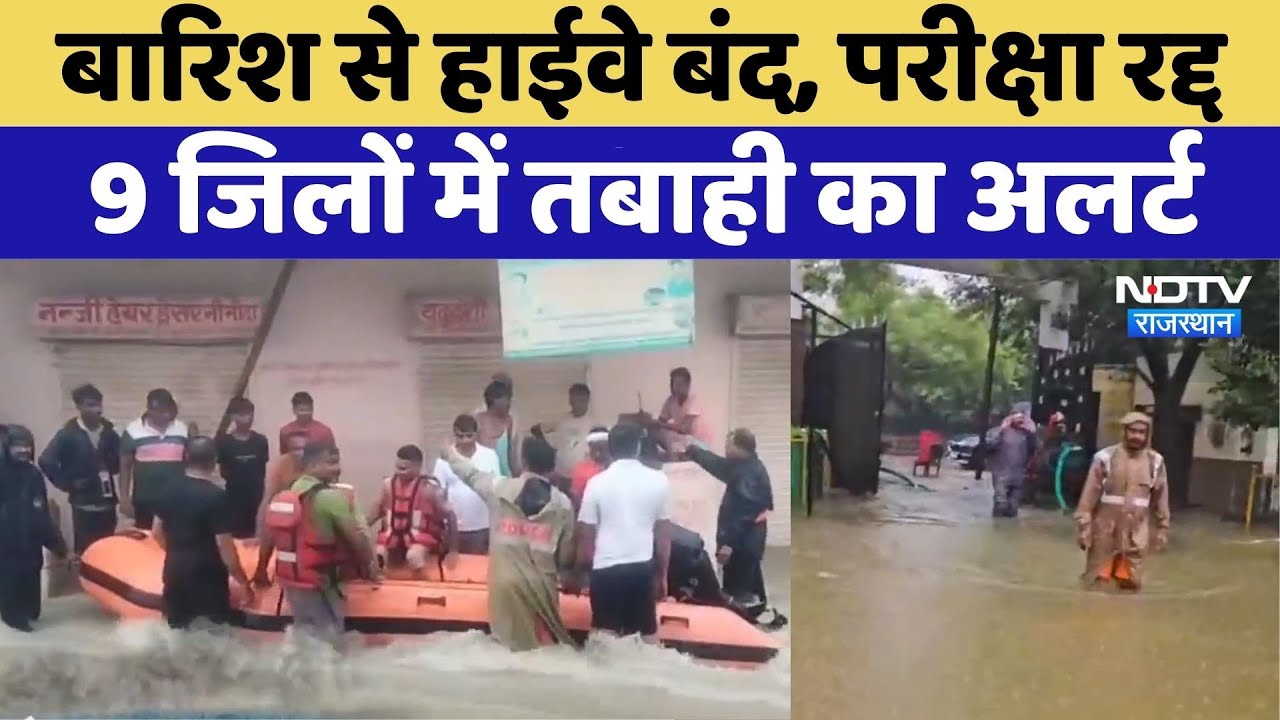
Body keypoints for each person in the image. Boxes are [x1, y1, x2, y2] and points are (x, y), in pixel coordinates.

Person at [439, 435, 577, 651]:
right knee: (545, 645)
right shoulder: (563, 504)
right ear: (552, 466)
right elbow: (566, 554)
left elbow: (470, 474)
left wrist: (449, 453)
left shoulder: (499, 488)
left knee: (507, 647)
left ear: (523, 461)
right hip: (542, 586)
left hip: (505, 582)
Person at [261, 441, 378, 640]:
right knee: (329, 639)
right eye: (331, 463)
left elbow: (269, 535)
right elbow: (357, 540)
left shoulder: (286, 494)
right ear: (313, 465)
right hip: (322, 582)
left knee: (304, 635)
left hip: (292, 583)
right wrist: (369, 568)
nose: (337, 469)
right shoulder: (330, 498)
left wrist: (261, 569)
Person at [576, 423, 672, 641]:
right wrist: (662, 576)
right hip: (642, 570)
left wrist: (581, 571)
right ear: (638, 446)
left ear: (610, 448)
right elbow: (663, 535)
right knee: (647, 639)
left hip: (605, 570)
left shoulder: (596, 483)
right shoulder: (659, 481)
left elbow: (586, 535)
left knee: (604, 639)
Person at [686, 428, 786, 628]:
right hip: (747, 540)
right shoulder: (745, 466)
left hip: (743, 543)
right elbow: (719, 466)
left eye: (729, 444)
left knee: (738, 591)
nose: (725, 448)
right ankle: (756, 616)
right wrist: (693, 451)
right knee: (749, 584)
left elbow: (741, 518)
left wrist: (727, 545)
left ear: (741, 448)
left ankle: (744, 628)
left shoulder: (747, 476)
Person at [152, 436, 252, 629]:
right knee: (212, 632)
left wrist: (177, 552)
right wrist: (243, 582)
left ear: (186, 457)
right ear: (215, 460)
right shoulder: (217, 497)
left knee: (176, 629)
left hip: (174, 569)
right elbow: (226, 550)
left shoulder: (168, 489)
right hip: (207, 577)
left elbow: (156, 532)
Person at [1074, 412, 1171, 592]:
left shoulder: (1155, 462)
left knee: (1131, 583)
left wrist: (1162, 529)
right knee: (1097, 581)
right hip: (1105, 531)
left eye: (1141, 432)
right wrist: (1084, 528)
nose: (1136, 436)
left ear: (1148, 434)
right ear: (1124, 432)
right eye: (1132, 431)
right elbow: (1088, 496)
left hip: (1136, 533)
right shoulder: (1105, 457)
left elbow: (1161, 499)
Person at [38, 383, 121, 555]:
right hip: (83, 503)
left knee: (108, 549)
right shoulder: (68, 434)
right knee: (85, 550)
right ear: (79, 407)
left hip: (107, 501)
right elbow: (46, 460)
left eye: (99, 404)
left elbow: (120, 461)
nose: (97, 409)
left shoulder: (109, 432)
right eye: (90, 405)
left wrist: (110, 464)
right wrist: (67, 484)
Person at [0, 426, 69, 631]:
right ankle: (13, 617)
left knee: (33, 607)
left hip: (31, 542)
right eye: (17, 446)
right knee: (10, 580)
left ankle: (27, 613)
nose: (24, 450)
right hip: (6, 542)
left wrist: (59, 547)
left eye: (27, 446)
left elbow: (42, 513)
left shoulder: (34, 474)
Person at [367, 445, 456, 573]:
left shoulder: (429, 489)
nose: (398, 472)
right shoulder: (387, 486)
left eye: (403, 469)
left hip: (420, 540)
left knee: (414, 557)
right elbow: (374, 513)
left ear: (418, 467)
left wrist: (453, 549)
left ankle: (422, 581)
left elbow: (450, 515)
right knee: (377, 555)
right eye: (397, 467)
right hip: (393, 537)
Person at [119, 389, 189, 530]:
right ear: (150, 409)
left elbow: (189, 464)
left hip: (175, 500)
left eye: (167, 410)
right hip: (145, 500)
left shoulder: (182, 429)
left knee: (174, 538)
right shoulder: (133, 431)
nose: (165, 415)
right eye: (160, 411)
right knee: (146, 538)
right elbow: (125, 466)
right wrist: (124, 498)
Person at [432, 414, 499, 554]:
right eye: (460, 436)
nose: (465, 441)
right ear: (454, 434)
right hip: (454, 529)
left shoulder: (490, 455)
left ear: (476, 434)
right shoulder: (444, 459)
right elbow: (438, 492)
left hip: (483, 526)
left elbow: (495, 489)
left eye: (469, 436)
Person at [215, 397, 270, 539]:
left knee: (257, 538)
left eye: (250, 414)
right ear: (233, 416)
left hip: (257, 498)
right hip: (234, 499)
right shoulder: (224, 442)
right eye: (242, 414)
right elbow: (223, 471)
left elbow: (262, 469)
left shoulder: (261, 441)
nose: (247, 418)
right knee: (236, 538)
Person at [533, 383, 599, 477]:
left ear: (586, 400)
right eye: (571, 399)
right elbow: (555, 444)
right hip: (561, 474)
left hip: (583, 476)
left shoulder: (594, 424)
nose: (573, 403)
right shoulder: (562, 421)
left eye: (578, 399)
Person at [985, 411, 1038, 517]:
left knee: (1013, 507)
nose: (1020, 420)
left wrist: (1032, 433)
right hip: (1001, 473)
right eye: (1017, 417)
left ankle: (1009, 525)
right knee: (1001, 503)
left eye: (1022, 418)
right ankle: (998, 525)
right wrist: (1002, 430)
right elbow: (989, 445)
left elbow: (1035, 449)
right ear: (1009, 418)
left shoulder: (1026, 434)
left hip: (1018, 474)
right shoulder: (998, 431)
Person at [653, 367, 714, 459]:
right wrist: (648, 421)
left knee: (671, 438)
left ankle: (676, 459)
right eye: (674, 383)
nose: (677, 387)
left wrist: (661, 424)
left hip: (700, 443)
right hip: (685, 441)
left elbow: (685, 429)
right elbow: (660, 422)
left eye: (680, 384)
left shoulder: (694, 399)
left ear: (688, 385)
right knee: (656, 433)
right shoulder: (671, 400)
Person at [476, 379, 520, 477]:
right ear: (495, 401)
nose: (509, 403)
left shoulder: (509, 421)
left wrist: (517, 476)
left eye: (509, 399)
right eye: (507, 399)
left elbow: (511, 454)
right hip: (483, 474)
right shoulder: (478, 420)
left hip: (504, 475)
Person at [569, 427, 610, 510]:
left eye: (602, 448)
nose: (598, 453)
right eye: (594, 448)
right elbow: (577, 500)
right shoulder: (580, 470)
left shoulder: (618, 468)